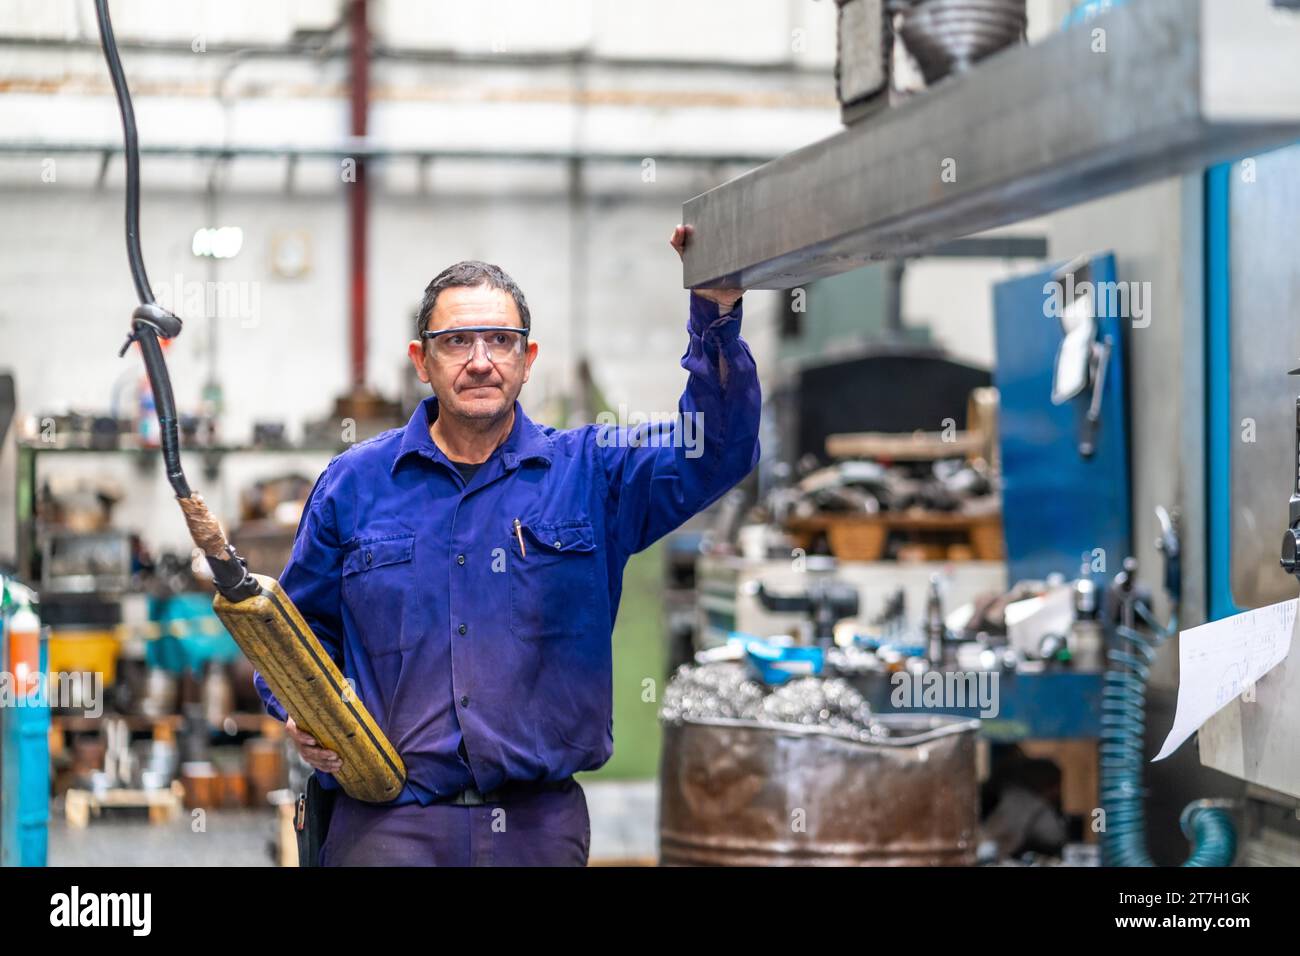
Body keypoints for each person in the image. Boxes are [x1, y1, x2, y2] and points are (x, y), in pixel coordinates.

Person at [254, 225, 760, 865]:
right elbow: (295, 637)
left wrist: (714, 312)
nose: (480, 359)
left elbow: (717, 448)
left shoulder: (592, 475)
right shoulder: (354, 486)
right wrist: (306, 714)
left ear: (528, 357)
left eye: (501, 340)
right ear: (421, 360)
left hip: (536, 829)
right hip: (388, 824)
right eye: (456, 341)